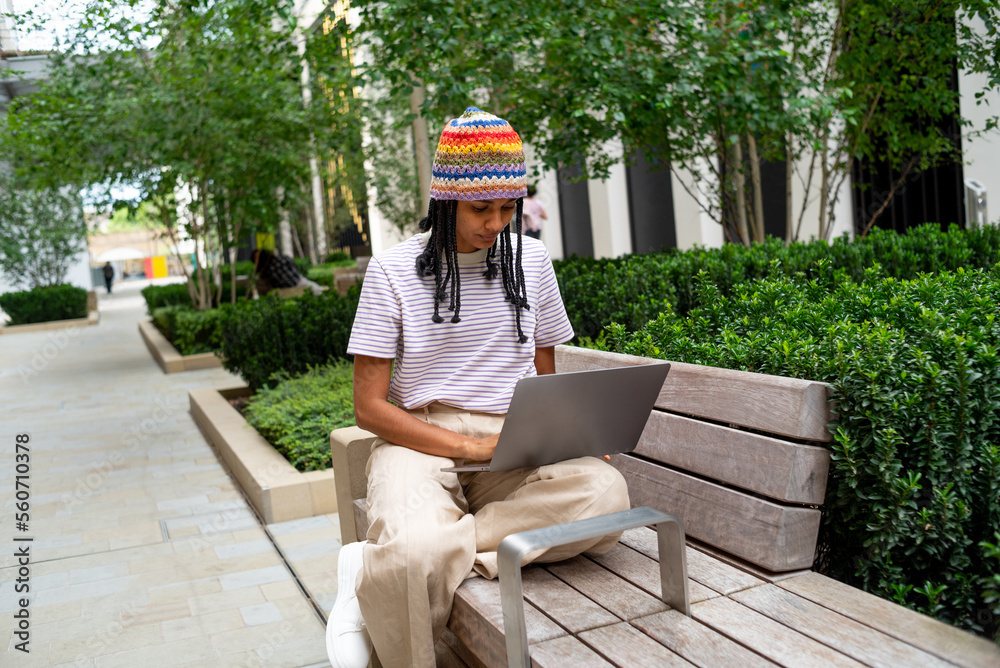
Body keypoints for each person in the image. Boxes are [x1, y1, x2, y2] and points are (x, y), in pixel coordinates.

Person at [326, 107, 630, 668]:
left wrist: (571, 433)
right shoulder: (393, 271)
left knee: (605, 493)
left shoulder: (531, 261)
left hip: (514, 439)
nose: (496, 222)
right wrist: (466, 448)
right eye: (480, 208)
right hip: (420, 437)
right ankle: (405, 572)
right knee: (411, 551)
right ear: (446, 202)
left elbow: (544, 374)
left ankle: (388, 564)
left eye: (507, 207)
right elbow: (368, 408)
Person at [252, 248, 325, 296]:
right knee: (317, 290)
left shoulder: (268, 271)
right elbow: (295, 279)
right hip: (300, 283)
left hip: (288, 291)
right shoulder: (283, 258)